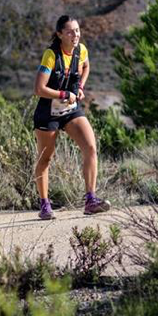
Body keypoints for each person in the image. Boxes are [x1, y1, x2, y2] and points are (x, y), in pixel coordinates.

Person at [33, 15, 111, 219]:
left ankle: (91, 200)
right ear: (59, 34)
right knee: (45, 158)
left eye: (77, 30)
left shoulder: (81, 49)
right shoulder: (51, 55)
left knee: (91, 148)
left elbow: (86, 66)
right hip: (48, 113)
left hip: (70, 110)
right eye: (69, 32)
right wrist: (64, 94)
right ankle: (44, 205)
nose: (75, 35)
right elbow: (39, 89)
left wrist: (80, 87)